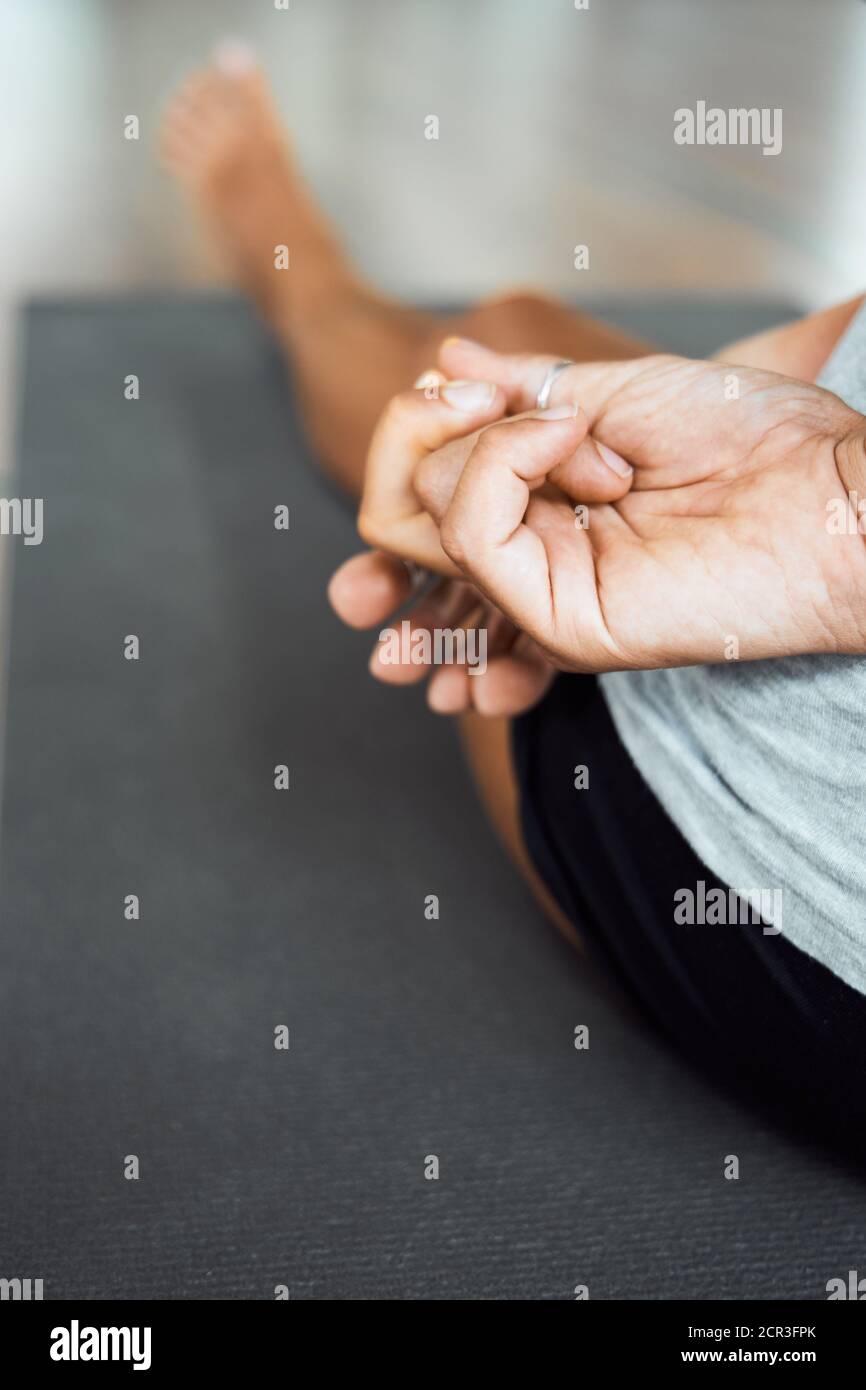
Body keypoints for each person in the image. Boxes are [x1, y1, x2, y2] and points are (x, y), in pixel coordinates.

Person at [162, 51, 866, 1151]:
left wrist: (826, 506)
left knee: (464, 383)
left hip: (766, 883)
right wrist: (813, 476)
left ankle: (295, 267)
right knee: (509, 365)